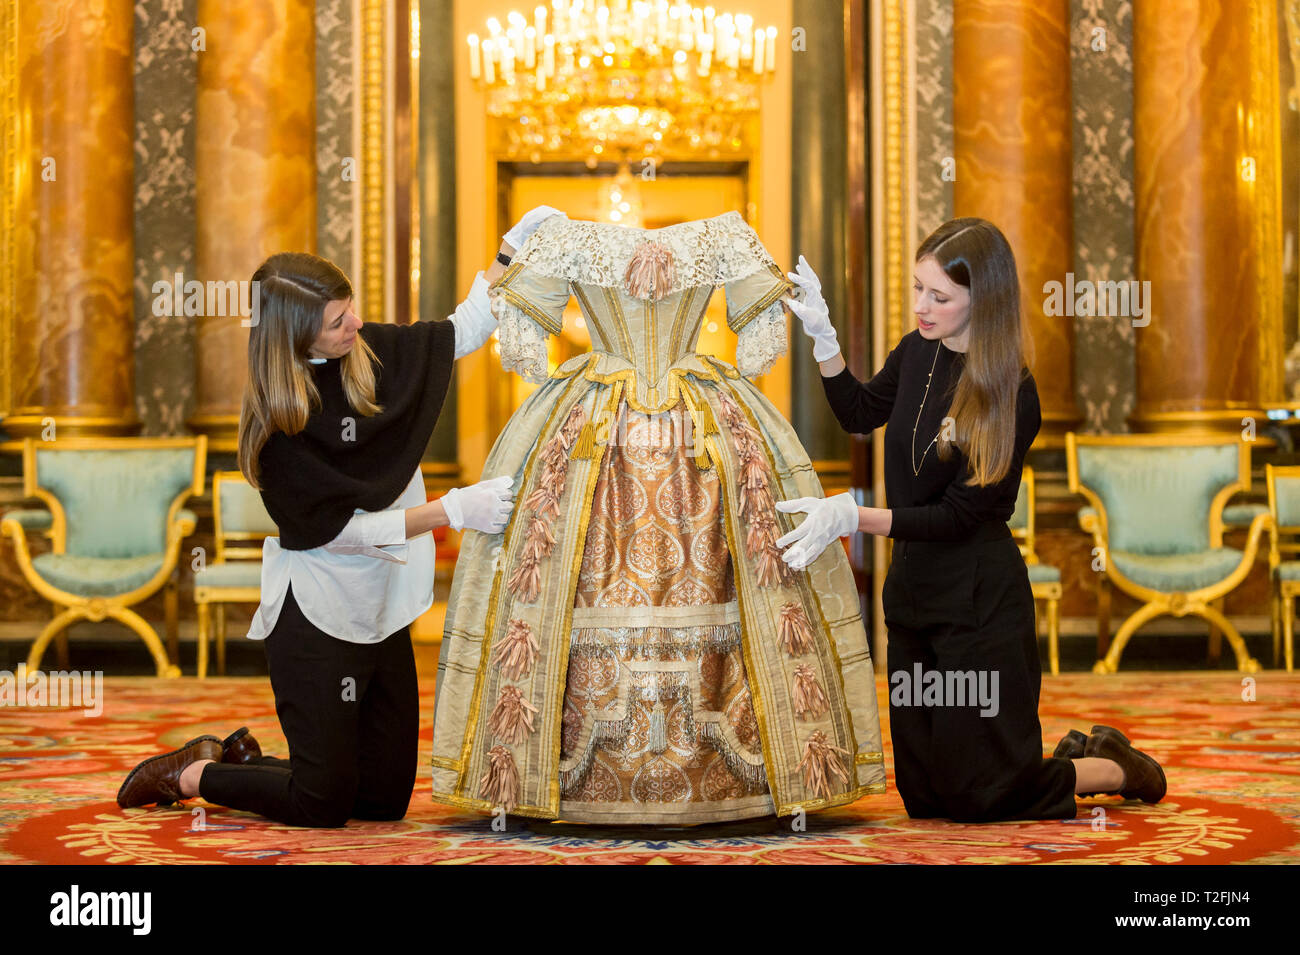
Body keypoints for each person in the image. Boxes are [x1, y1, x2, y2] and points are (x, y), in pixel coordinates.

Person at [115, 207, 566, 827]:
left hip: (380, 607)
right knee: (321, 805)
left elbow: (463, 328)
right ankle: (193, 772)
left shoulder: (364, 350)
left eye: (350, 307)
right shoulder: (278, 431)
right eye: (337, 321)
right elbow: (340, 535)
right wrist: (451, 510)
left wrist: (511, 250)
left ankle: (244, 757)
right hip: (316, 616)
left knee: (381, 803)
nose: (356, 322)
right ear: (294, 339)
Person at [775, 217, 1165, 822]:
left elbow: (958, 517)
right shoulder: (915, 351)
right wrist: (825, 340)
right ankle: (1047, 759)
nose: (922, 307)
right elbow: (858, 410)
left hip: (977, 604)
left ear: (984, 299)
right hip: (911, 596)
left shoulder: (1012, 390)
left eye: (940, 296)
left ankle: (1113, 767)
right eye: (918, 289)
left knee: (980, 798)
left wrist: (856, 516)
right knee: (926, 798)